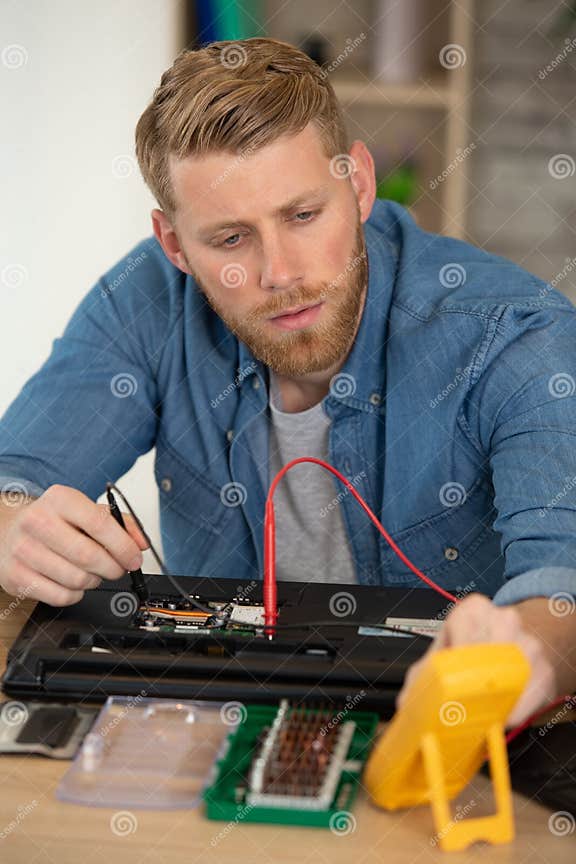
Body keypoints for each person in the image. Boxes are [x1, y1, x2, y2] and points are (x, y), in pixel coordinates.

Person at [0, 38, 574, 725]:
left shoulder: (513, 332)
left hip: (442, 741)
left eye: (303, 216)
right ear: (175, 244)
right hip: (221, 734)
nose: (280, 272)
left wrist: (530, 653)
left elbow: (563, 581)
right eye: (231, 239)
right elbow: (16, 479)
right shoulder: (144, 301)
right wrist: (9, 524)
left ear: (359, 184)